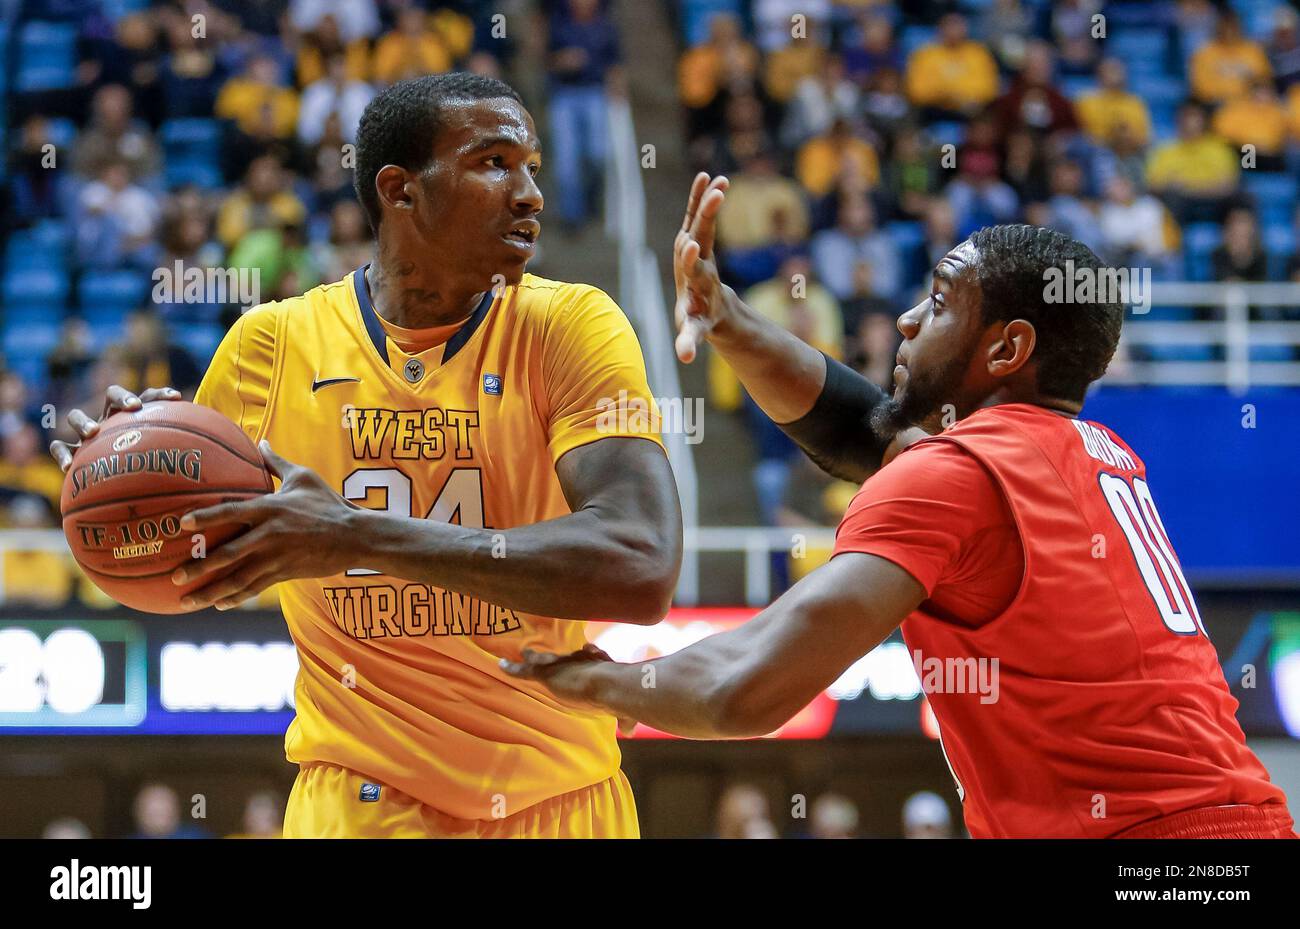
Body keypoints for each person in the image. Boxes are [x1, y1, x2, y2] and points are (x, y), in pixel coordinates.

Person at [504, 173, 1297, 840]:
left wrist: (589, 684)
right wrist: (729, 319)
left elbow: (744, 686)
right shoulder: (1084, 452)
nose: (910, 317)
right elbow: (862, 430)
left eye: (941, 301)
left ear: (1007, 349)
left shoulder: (957, 474)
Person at [51, 73, 682, 839]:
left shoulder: (571, 326)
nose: (529, 195)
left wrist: (354, 535)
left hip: (559, 798)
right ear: (400, 190)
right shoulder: (271, 347)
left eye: (533, 168)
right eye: (493, 163)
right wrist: (120, 478)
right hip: (358, 804)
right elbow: (190, 566)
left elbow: (642, 562)